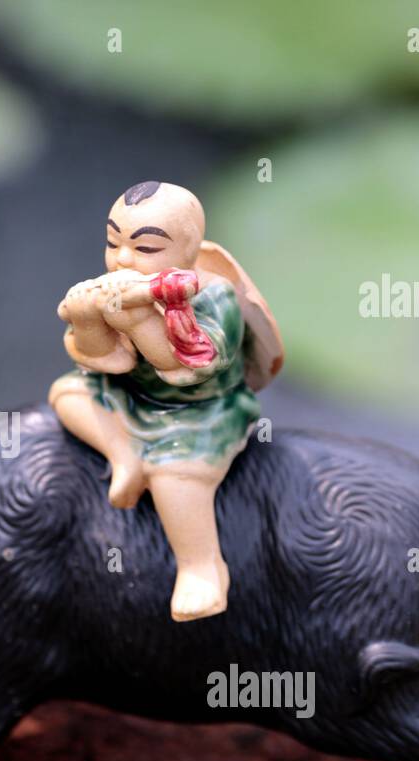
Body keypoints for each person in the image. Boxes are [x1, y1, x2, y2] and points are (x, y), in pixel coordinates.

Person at [48, 181, 283, 622]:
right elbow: (107, 362)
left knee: (175, 478)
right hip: (132, 396)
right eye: (112, 241)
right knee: (67, 395)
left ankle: (202, 569)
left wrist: (137, 318)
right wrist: (85, 317)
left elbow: (180, 366)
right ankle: (125, 457)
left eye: (146, 247)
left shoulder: (214, 297)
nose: (122, 259)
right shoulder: (117, 284)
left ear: (189, 252)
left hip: (196, 411)